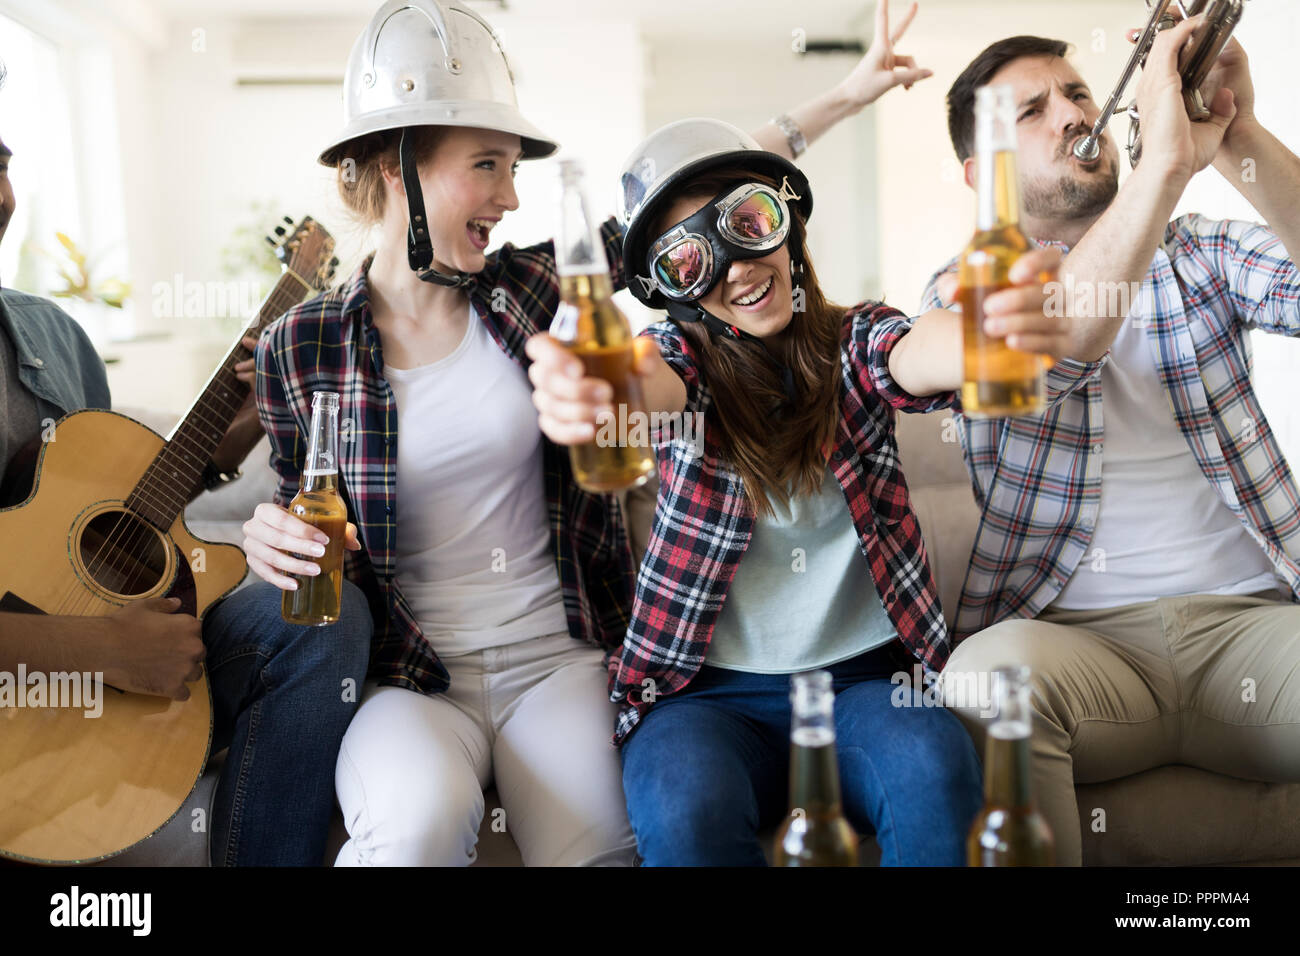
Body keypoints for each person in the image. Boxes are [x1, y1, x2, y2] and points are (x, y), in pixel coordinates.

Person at [238, 0, 936, 867]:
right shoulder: (299, 345)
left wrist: (845, 96)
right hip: (409, 676)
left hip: (559, 661)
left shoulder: (537, 292)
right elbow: (300, 516)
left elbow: (705, 207)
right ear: (397, 165)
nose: (511, 194)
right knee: (411, 830)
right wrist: (270, 539)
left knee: (603, 848)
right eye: (487, 165)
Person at [525, 109, 1070, 864]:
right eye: (691, 263)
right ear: (671, 291)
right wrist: (601, 390)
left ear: (786, 222)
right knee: (683, 814)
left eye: (747, 223)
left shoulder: (855, 340)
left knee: (935, 776)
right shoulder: (682, 358)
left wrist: (982, 340)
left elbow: (915, 350)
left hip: (869, 681)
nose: (737, 269)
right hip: (705, 693)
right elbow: (646, 382)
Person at [903, 20, 1300, 865]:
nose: (1071, 115)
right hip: (1075, 644)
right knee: (983, 683)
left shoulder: (1198, 252)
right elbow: (1067, 339)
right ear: (983, 177)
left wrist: (1239, 137)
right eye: (1030, 111)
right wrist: (1163, 169)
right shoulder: (961, 294)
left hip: (1254, 631)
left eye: (1077, 92)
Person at [0, 61, 363, 867]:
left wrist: (231, 428)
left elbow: (110, 507)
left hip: (132, 637)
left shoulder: (54, 336)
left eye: (1, 165)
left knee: (319, 615)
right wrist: (101, 652)